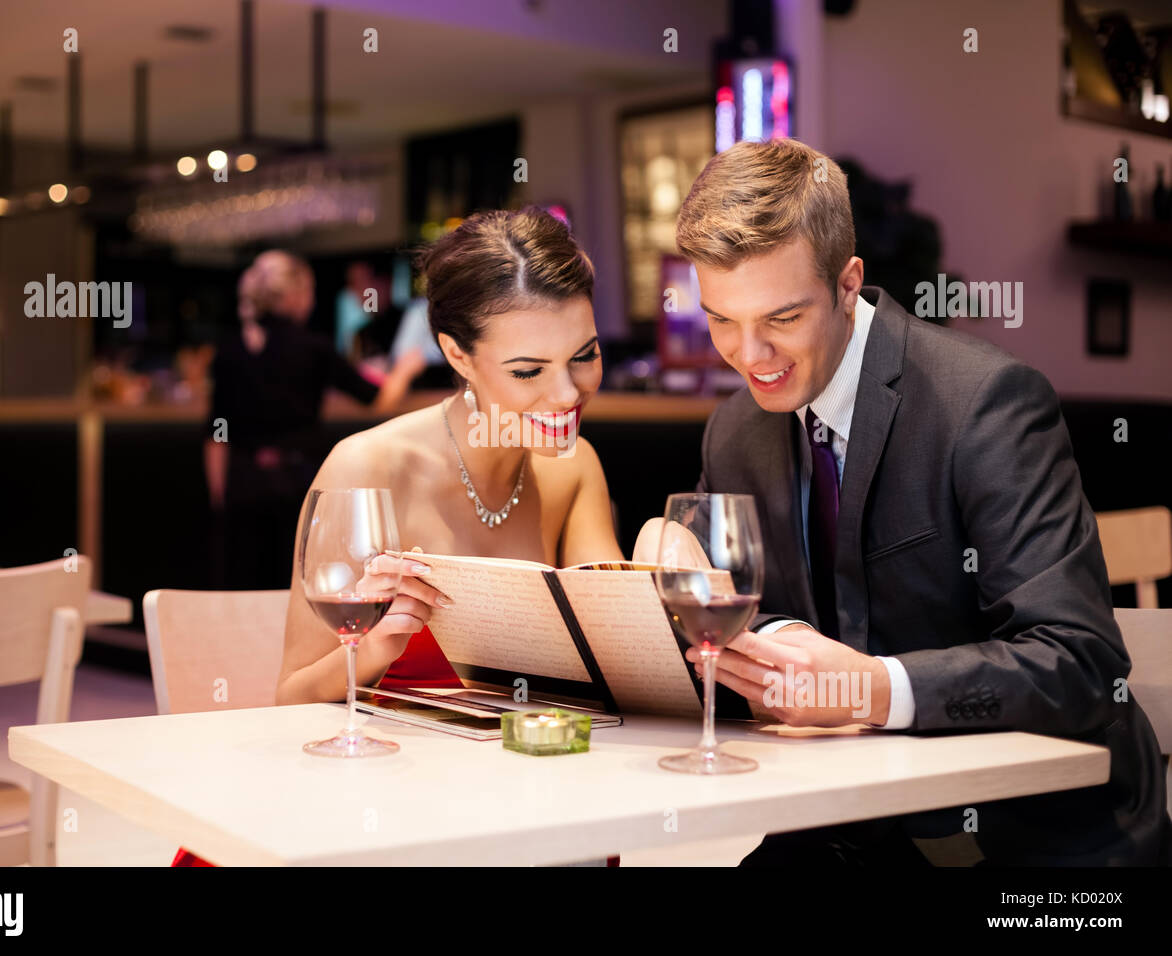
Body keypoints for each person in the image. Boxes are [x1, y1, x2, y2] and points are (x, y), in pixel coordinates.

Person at [657, 137, 1170, 865]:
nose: (750, 357)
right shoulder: (736, 430)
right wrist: (685, 570)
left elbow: (1080, 664)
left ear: (847, 282)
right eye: (721, 320)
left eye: (782, 319)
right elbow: (730, 605)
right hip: (853, 826)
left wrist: (867, 689)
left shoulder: (984, 404)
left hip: (1034, 840)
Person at [276, 207, 623, 705]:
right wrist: (375, 648)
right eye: (528, 371)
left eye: (584, 356)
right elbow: (289, 700)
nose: (568, 394)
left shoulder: (574, 465)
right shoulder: (365, 469)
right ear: (458, 355)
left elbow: (615, 662)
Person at [205, 250, 423, 590]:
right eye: (309, 291)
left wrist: (222, 495)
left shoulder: (229, 349)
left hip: (243, 482)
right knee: (293, 584)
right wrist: (407, 369)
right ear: (293, 296)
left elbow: (217, 433)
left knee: (244, 585)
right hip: (298, 483)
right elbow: (377, 399)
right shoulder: (312, 348)